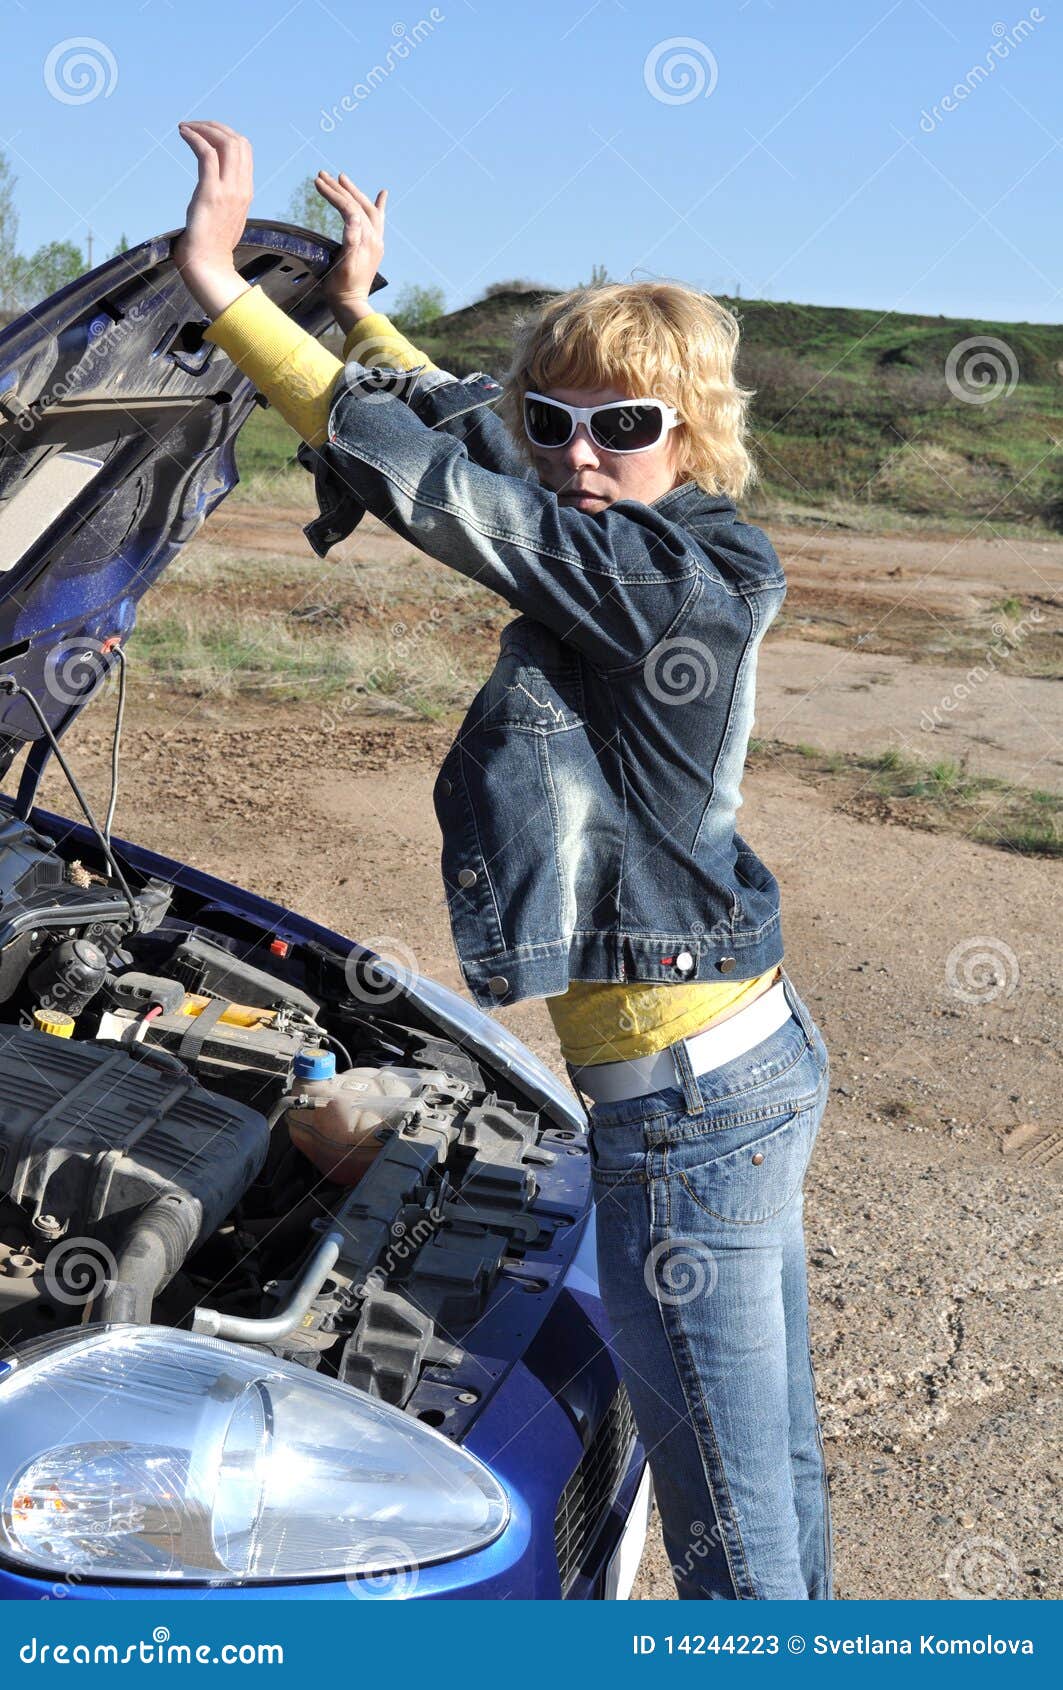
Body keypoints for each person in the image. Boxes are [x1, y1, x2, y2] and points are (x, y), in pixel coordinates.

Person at [174, 120, 834, 1601]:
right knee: (769, 1472)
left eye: (627, 429)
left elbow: (464, 496)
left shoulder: (672, 589)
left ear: (700, 435)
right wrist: (359, 310)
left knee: (737, 1527)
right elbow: (484, 432)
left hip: (690, 1107)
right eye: (562, 424)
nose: (581, 460)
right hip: (725, 1066)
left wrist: (226, 295)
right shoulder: (644, 530)